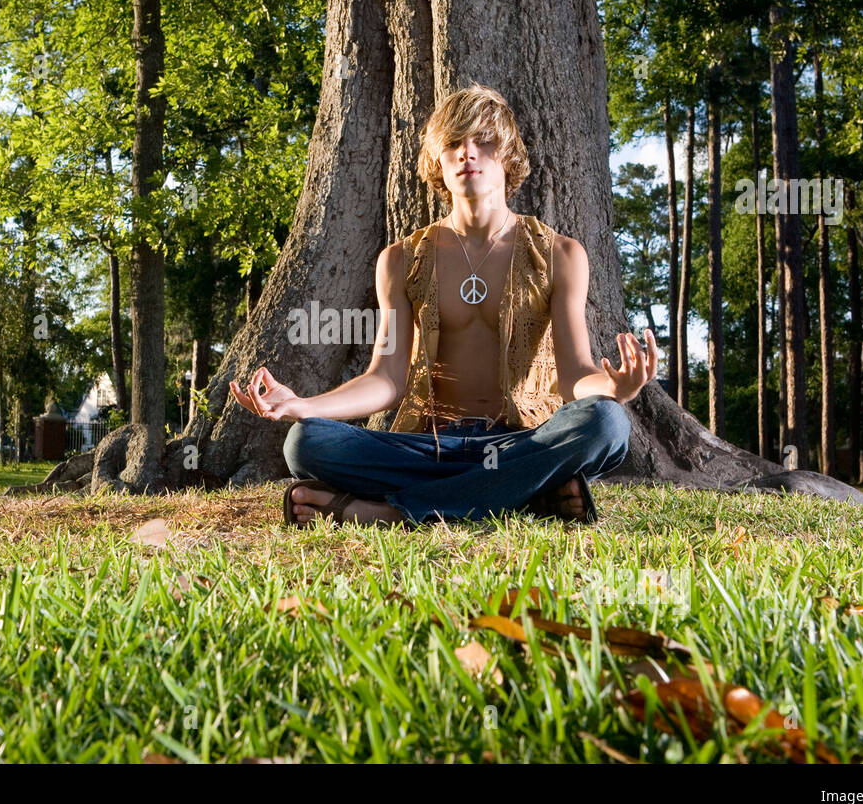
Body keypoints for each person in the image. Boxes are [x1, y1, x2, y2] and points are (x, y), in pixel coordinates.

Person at [230, 82, 657, 526]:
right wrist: (304, 405)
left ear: (507, 156)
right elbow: (386, 378)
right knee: (305, 442)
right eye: (453, 143)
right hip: (428, 446)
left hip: (522, 441)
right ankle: (525, 496)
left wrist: (613, 389)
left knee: (607, 424)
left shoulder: (559, 254)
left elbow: (574, 377)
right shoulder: (400, 259)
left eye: (483, 141)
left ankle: (391, 512)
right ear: (437, 159)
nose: (466, 153)